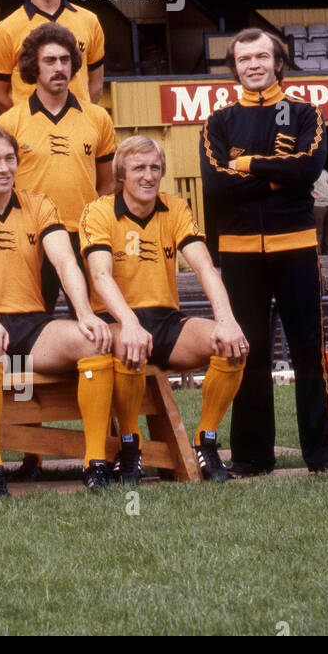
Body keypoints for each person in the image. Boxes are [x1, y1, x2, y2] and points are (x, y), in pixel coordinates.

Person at [0, 126, 114, 497]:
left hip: (32, 324)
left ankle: (96, 462)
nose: (3, 168)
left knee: (94, 342)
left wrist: (84, 313)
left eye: (9, 159)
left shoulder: (40, 205)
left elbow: (65, 262)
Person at [200, 28, 328, 475]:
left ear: (279, 62)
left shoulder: (304, 114)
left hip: (296, 248)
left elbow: (309, 167)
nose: (253, 65)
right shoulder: (218, 122)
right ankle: (252, 457)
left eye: (262, 57)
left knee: (308, 352)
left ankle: (323, 454)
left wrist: (248, 165)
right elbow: (217, 182)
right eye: (243, 59)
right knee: (248, 354)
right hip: (238, 253)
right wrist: (278, 175)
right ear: (234, 67)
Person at [81, 136, 248, 484]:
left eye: (155, 168)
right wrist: (128, 322)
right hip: (117, 319)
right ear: (121, 175)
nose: (148, 175)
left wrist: (227, 321)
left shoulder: (175, 208)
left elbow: (204, 267)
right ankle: (130, 444)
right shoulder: (98, 211)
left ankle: (206, 441)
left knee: (231, 347)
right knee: (129, 345)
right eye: (138, 168)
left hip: (167, 321)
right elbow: (99, 276)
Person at [0, 22, 115, 313]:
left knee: (92, 321)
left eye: (65, 60)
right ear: (33, 67)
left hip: (83, 236)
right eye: (49, 60)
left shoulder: (98, 118)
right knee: (30, 324)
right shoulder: (9, 123)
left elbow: (108, 184)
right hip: (30, 239)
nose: (59, 68)